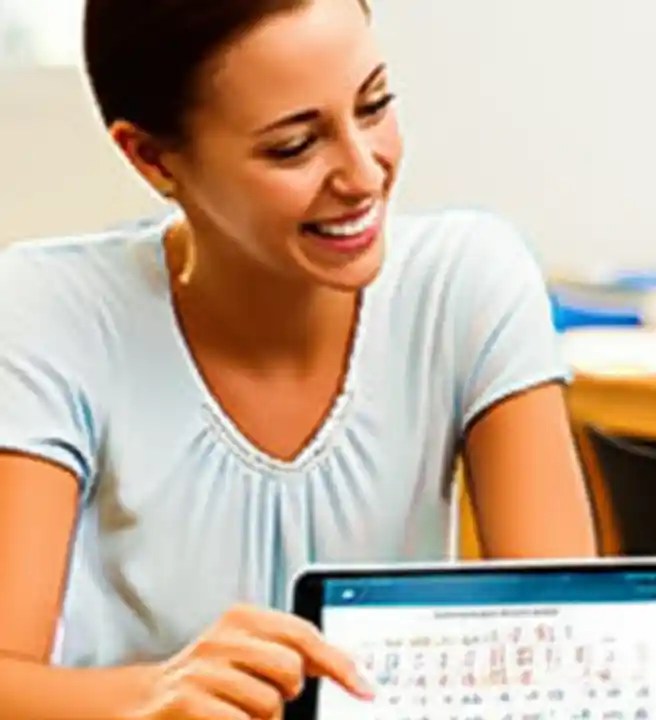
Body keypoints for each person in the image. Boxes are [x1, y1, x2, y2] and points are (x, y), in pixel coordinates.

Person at [0, 0, 598, 716]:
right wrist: (150, 698)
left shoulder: (467, 283)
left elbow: (569, 639)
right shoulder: (50, 310)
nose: (362, 174)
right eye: (294, 147)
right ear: (152, 157)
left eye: (374, 106)